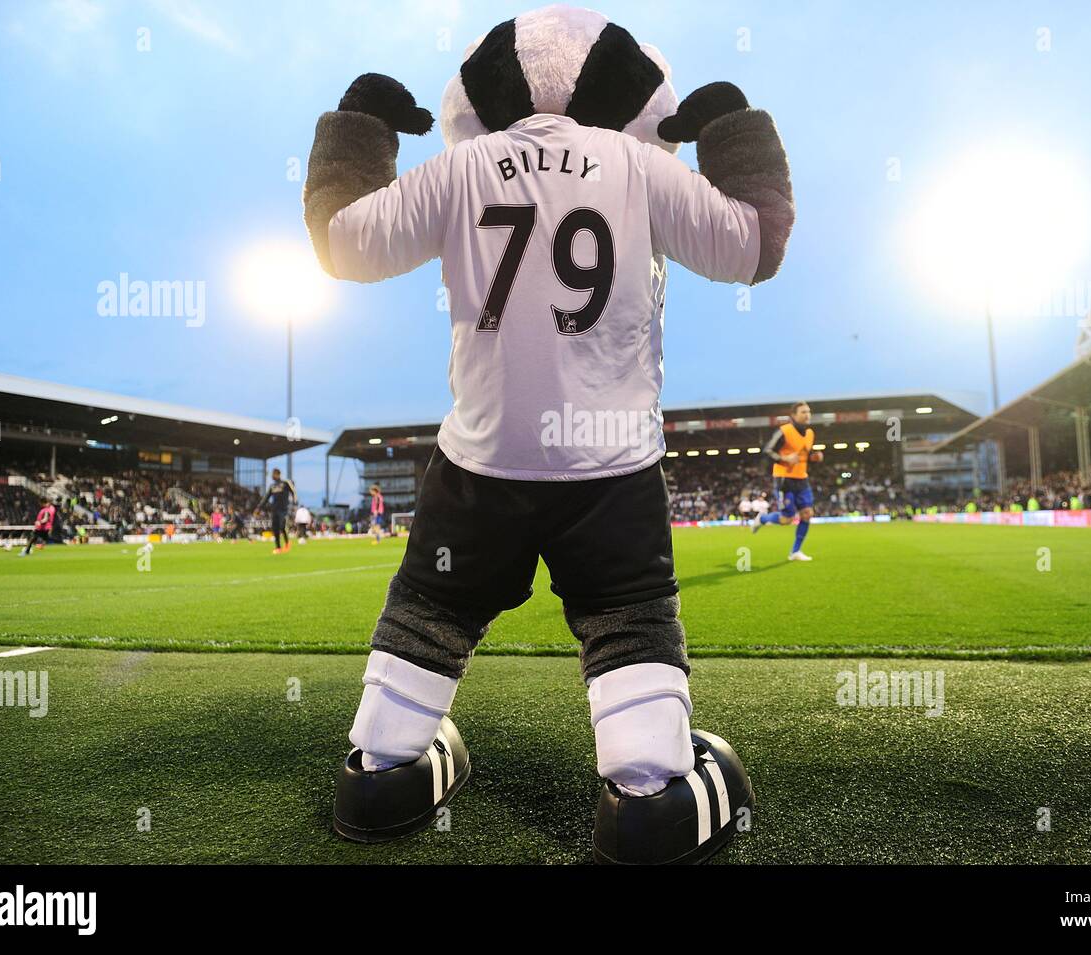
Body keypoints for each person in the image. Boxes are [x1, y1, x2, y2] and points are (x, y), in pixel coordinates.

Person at [303, 8, 792, 862]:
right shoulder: (640, 165)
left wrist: (362, 127)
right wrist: (729, 129)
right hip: (612, 463)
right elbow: (754, 244)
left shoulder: (458, 169)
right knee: (629, 618)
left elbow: (343, 243)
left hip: (479, 461)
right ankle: (648, 792)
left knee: (432, 609)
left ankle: (380, 767)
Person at [752, 401, 822, 561]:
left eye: (809, 411)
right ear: (794, 415)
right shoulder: (784, 431)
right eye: (803, 412)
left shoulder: (810, 433)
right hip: (784, 479)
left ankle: (795, 552)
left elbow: (806, 454)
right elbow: (767, 451)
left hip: (802, 478)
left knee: (807, 514)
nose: (807, 415)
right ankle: (762, 518)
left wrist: (814, 457)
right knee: (786, 519)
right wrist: (784, 458)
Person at [253, 468, 297, 554]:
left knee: (282, 526)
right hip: (274, 510)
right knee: (275, 528)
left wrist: (295, 504)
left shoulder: (285, 483)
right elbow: (266, 498)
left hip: (284, 509)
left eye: (273, 474)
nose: (272, 476)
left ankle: (287, 543)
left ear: (278, 474)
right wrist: (258, 508)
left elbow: (293, 492)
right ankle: (278, 547)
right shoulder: (272, 486)